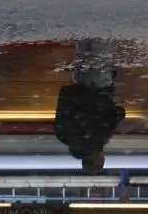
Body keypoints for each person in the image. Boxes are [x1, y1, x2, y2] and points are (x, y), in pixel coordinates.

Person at [54, 39, 126, 174]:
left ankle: (101, 22)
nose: (102, 156)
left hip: (99, 86)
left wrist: (120, 114)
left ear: (96, 160)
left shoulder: (97, 140)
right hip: (78, 82)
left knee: (102, 44)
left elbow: (113, 116)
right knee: (83, 49)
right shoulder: (65, 137)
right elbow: (63, 109)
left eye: (101, 160)